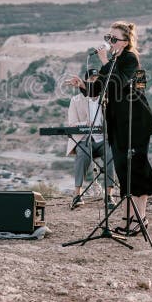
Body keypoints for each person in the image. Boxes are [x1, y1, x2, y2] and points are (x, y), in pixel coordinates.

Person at [68, 21, 152, 235]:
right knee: (123, 170)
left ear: (126, 41)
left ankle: (140, 218)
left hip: (135, 122)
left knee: (135, 169)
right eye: (108, 38)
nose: (109, 42)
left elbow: (118, 82)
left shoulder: (130, 58)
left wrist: (105, 61)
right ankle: (129, 218)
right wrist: (83, 85)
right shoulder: (114, 61)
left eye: (113, 39)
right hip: (118, 123)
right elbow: (100, 88)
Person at [66, 69, 116, 210]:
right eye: (91, 80)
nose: (94, 82)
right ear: (86, 82)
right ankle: (77, 195)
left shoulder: (106, 99)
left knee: (111, 154)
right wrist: (85, 124)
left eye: (97, 80)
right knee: (82, 153)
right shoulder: (76, 101)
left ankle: (109, 195)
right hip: (85, 139)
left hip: (103, 140)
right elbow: (72, 124)